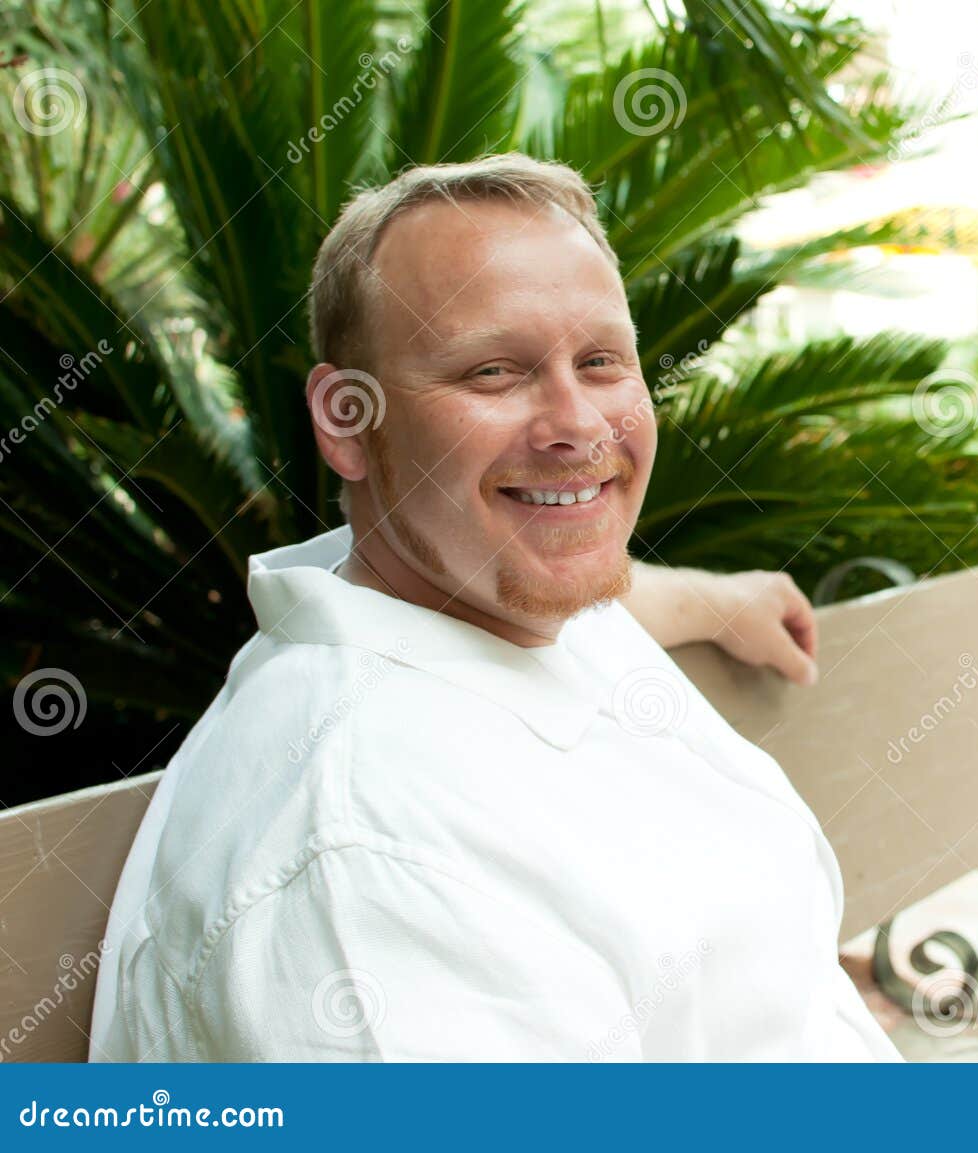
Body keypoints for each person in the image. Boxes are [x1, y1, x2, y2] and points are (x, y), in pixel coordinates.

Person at [89, 154, 902, 1061]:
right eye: (493, 372)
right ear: (347, 420)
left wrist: (714, 600)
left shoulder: (478, 601)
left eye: (601, 360)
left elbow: (592, 598)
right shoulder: (366, 867)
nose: (578, 424)